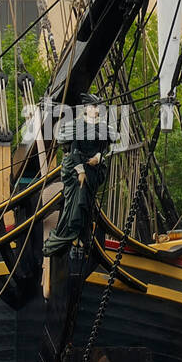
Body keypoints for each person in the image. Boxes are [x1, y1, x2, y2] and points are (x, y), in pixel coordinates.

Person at [42, 93, 117, 258]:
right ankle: (71, 236)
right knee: (78, 202)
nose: (94, 110)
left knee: (87, 205)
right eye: (91, 106)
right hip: (77, 170)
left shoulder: (103, 127)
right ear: (86, 108)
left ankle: (83, 238)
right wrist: (80, 171)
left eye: (96, 107)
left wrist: (98, 157)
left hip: (94, 170)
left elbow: (104, 148)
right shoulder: (76, 126)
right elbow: (73, 150)